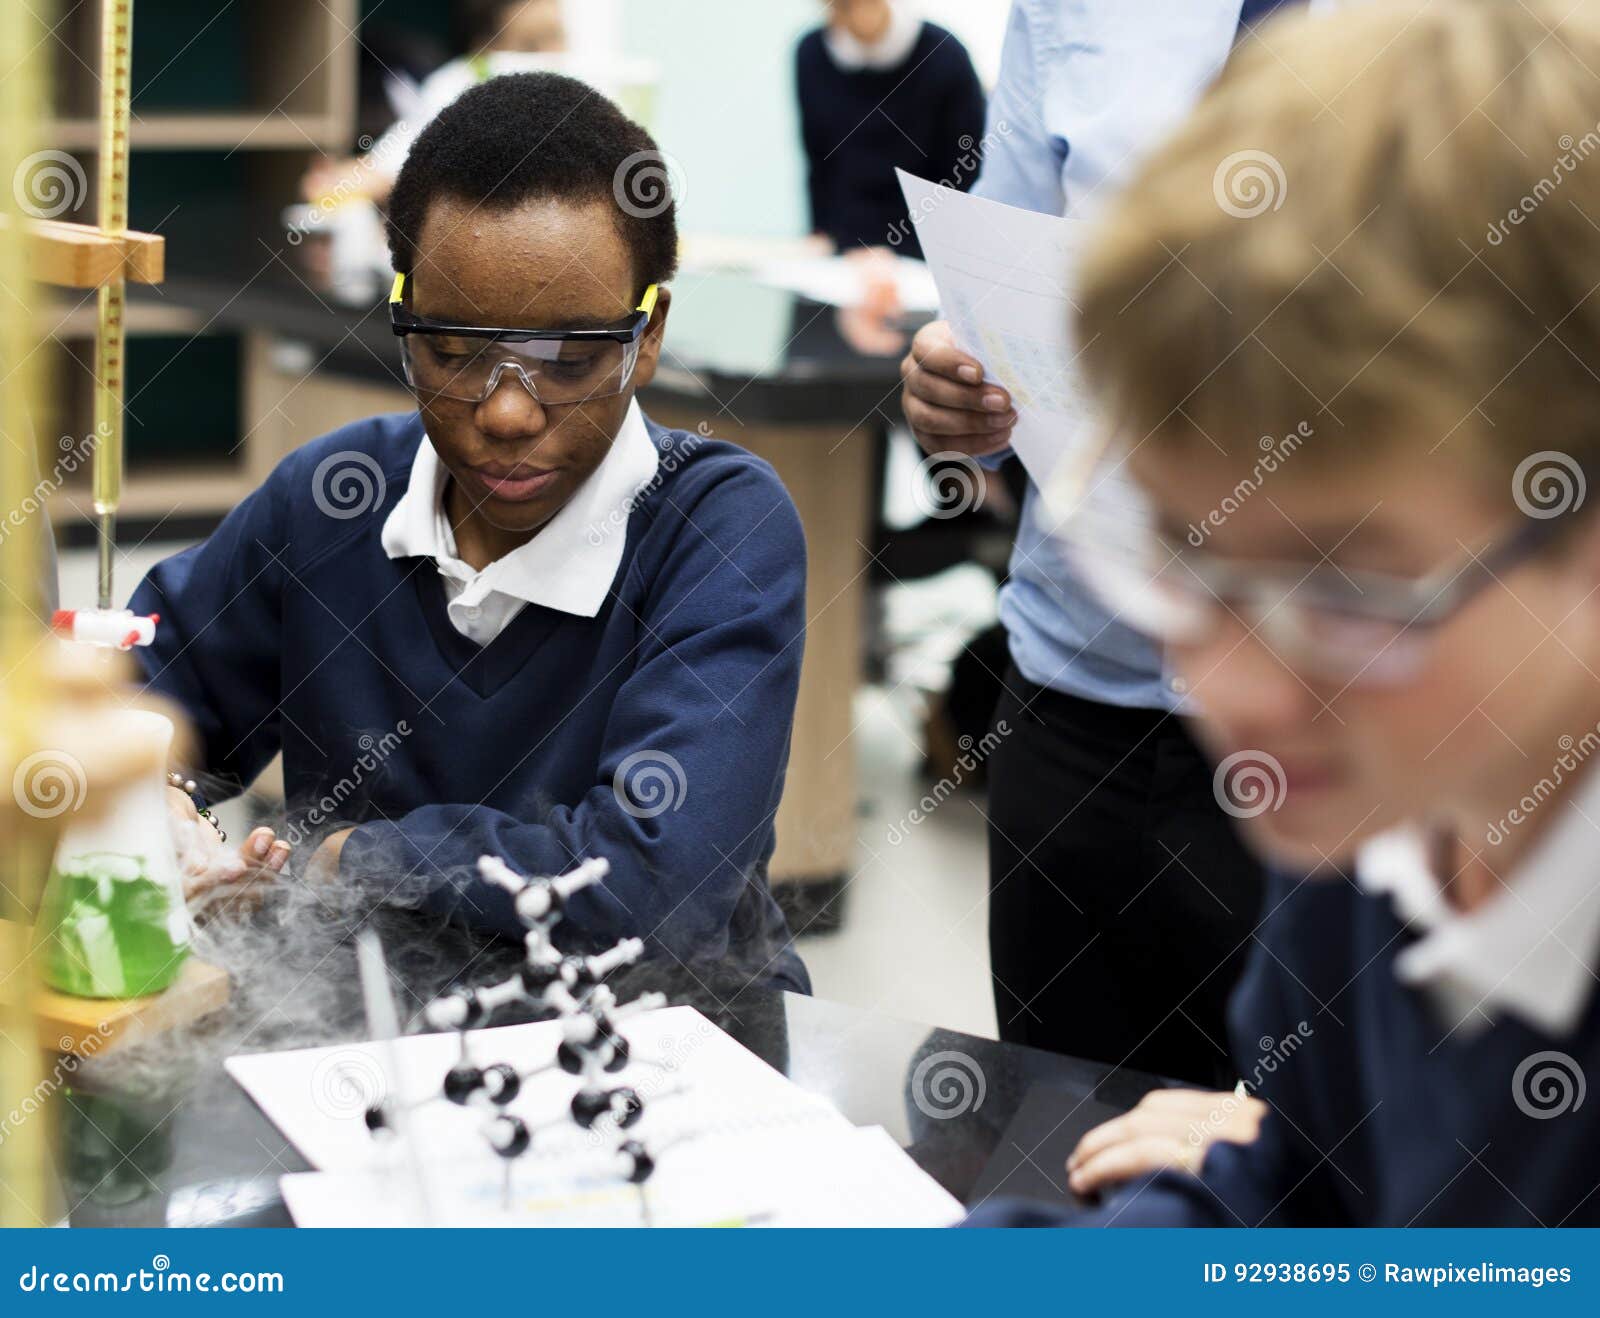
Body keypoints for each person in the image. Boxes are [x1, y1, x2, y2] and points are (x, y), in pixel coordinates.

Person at [975, 0, 1600, 1226]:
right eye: (1181, 558)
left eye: (1349, 590)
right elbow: (1287, 1187)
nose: (1235, 693)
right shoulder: (1378, 819)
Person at [132, 73, 810, 992]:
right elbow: (137, 696)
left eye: (569, 360)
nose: (505, 413)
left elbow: (651, 886)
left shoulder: (717, 528)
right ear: (403, 328)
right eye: (452, 352)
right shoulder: (335, 498)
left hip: (666, 1047)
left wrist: (345, 860)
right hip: (371, 1050)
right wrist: (153, 799)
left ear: (647, 337)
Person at [899, 0, 1308, 1085]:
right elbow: (996, 287)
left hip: (1334, 717)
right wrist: (957, 378)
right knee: (1056, 1140)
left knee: (1314, 1195)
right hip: (1074, 691)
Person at [796, 0, 986, 260]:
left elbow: (965, 176)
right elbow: (819, 163)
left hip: (928, 254)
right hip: (846, 258)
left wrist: (905, 255)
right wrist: (824, 239)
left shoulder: (944, 55)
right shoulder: (812, 54)